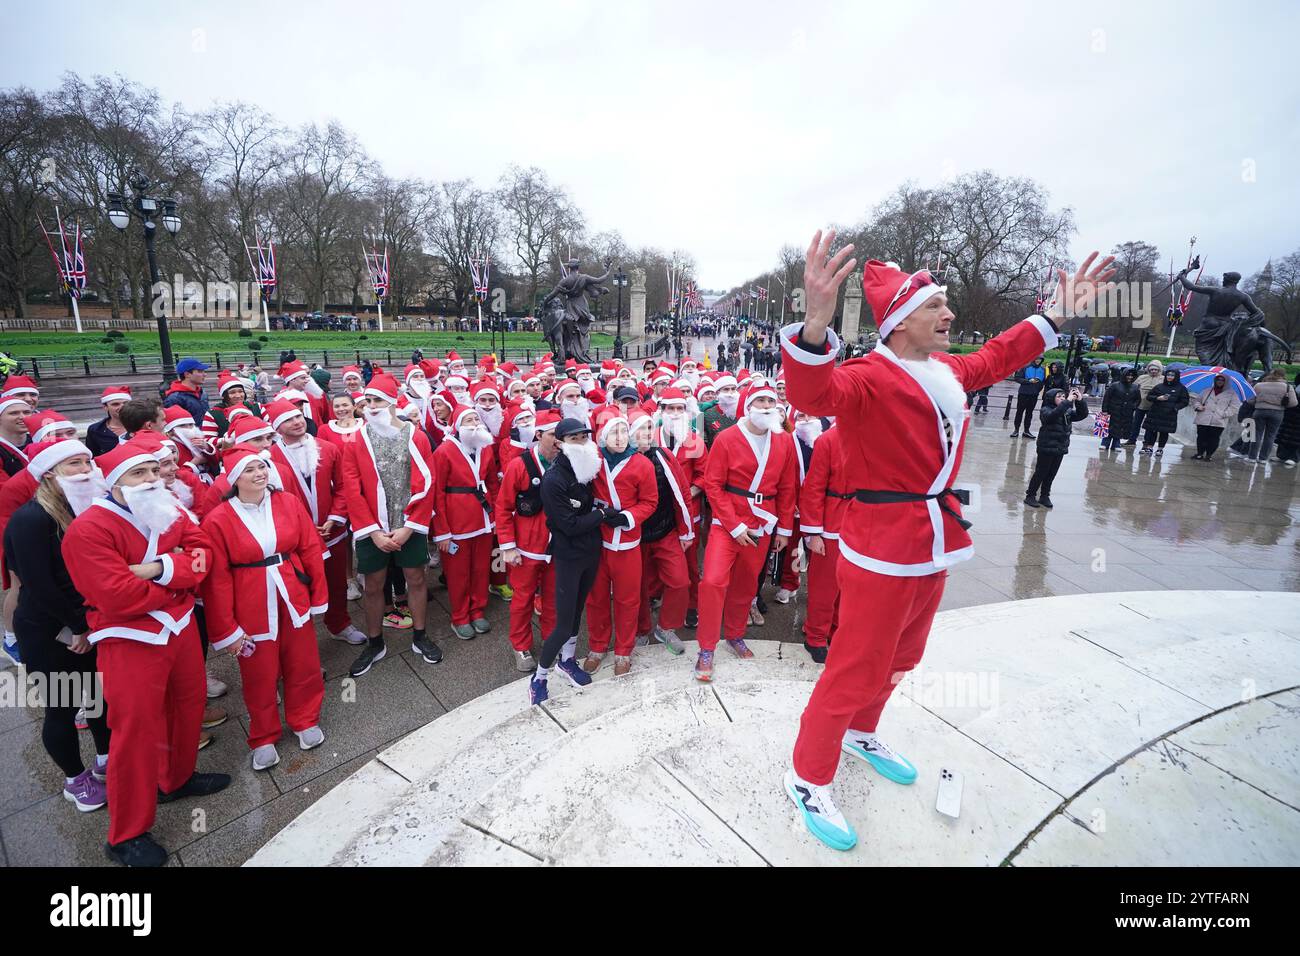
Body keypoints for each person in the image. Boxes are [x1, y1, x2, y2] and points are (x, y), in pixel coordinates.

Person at [779, 230, 1114, 851]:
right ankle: (807, 776)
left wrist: (1056, 315)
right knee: (854, 667)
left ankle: (861, 732)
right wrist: (815, 327)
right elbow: (811, 394)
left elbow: (1000, 354)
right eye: (936, 306)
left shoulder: (945, 371)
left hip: (933, 540)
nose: (950, 314)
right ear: (903, 320)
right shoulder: (866, 377)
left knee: (904, 657)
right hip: (880, 545)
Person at [61, 439, 232, 866]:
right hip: (127, 638)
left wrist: (159, 569)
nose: (153, 479)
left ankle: (174, 779)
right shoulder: (88, 529)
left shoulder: (168, 505)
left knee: (189, 705)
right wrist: (179, 576)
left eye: (154, 470)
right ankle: (125, 834)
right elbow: (117, 594)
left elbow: (204, 555)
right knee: (133, 733)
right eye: (140, 473)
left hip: (177, 626)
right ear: (116, 481)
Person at [202, 444, 328, 770]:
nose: (259, 474)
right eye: (249, 470)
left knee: (303, 662)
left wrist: (318, 595)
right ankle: (263, 735)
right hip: (251, 603)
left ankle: (304, 718)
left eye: (262, 467)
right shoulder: (218, 519)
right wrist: (227, 628)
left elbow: (310, 548)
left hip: (292, 592)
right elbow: (216, 579)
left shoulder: (288, 502)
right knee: (259, 673)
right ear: (234, 478)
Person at [2, 439, 111, 812]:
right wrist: (79, 626)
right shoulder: (32, 518)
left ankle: (105, 759)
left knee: (97, 698)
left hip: (85, 621)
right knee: (62, 706)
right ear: (49, 473)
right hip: (48, 629)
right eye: (73, 465)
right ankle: (74, 779)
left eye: (87, 462)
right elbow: (40, 584)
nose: (85, 470)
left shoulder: (86, 506)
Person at [695, 382, 797, 682]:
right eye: (760, 400)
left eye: (771, 400)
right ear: (749, 405)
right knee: (713, 582)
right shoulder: (727, 438)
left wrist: (784, 529)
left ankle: (735, 635)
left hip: (763, 523)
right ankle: (706, 647)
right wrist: (734, 525)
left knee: (746, 585)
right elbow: (713, 485)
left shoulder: (785, 441)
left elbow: (789, 487)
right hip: (729, 523)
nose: (767, 405)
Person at [341, 373, 439, 676]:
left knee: (417, 578)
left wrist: (410, 526)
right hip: (373, 526)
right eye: (367, 401)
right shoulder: (357, 439)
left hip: (408, 522)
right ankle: (375, 642)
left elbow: (427, 482)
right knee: (373, 584)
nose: (370, 406)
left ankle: (420, 636)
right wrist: (372, 531)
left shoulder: (416, 436)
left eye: (377, 400)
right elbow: (351, 487)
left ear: (392, 403)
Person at [265, 399, 363, 645]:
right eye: (288, 419)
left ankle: (339, 623)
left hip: (332, 530)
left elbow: (343, 487)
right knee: (299, 587)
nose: (297, 422)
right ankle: (301, 637)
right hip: (296, 538)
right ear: (277, 427)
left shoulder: (327, 448)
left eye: (298, 416)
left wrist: (334, 518)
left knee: (336, 581)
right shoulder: (270, 458)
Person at [528, 418, 606, 704]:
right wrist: (601, 515)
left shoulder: (585, 467)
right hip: (569, 554)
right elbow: (569, 524)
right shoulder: (553, 479)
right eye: (575, 438)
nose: (582, 442)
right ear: (560, 443)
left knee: (577, 613)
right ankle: (539, 677)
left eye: (585, 436)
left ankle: (567, 660)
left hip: (590, 550)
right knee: (562, 623)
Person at [581, 412, 657, 677]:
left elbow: (650, 502)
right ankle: (598, 646)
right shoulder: (593, 462)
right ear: (603, 436)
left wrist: (626, 517)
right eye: (614, 432)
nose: (621, 438)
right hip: (597, 542)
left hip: (627, 543)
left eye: (624, 432)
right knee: (596, 598)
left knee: (628, 599)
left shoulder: (642, 464)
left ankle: (624, 649)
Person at [495, 410, 561, 671]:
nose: (558, 441)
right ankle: (520, 645)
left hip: (556, 547)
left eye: (561, 435)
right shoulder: (519, 465)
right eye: (553, 435)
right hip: (526, 547)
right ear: (538, 435)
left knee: (554, 597)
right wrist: (508, 547)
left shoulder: (567, 463)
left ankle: (551, 640)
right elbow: (503, 507)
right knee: (522, 599)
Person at [431, 405, 499, 640]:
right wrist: (441, 531)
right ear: (458, 425)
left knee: (481, 569)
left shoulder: (486, 447)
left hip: (483, 519)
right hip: (456, 521)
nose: (474, 424)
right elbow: (436, 493)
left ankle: (478, 609)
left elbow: (492, 484)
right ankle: (460, 616)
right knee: (458, 572)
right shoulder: (444, 451)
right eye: (468, 420)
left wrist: (496, 516)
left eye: (476, 419)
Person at [631, 411, 694, 655]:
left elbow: (682, 493)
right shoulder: (618, 459)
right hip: (634, 537)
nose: (647, 433)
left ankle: (666, 627)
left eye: (649, 428)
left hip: (665, 530)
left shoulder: (664, 455)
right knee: (637, 587)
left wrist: (686, 531)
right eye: (640, 429)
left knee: (680, 581)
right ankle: (640, 629)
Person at [797, 421, 848, 663]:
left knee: (850, 587)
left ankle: (837, 631)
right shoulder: (828, 439)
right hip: (831, 523)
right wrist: (814, 532)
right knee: (824, 586)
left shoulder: (876, 437)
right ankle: (816, 635)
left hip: (861, 522)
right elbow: (813, 487)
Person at [1024, 388, 1090, 508]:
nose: (1062, 399)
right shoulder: (1046, 410)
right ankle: (1030, 495)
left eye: (1063, 397)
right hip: (1046, 446)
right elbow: (1052, 416)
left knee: (1051, 473)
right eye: (1059, 397)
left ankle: (1044, 496)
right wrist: (1068, 402)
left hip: (1060, 447)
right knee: (1041, 472)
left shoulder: (1067, 411)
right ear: (1051, 398)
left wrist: (1080, 401)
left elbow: (1082, 414)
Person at [1245, 370, 1298, 462]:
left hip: (1260, 411)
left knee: (1256, 434)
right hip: (1277, 413)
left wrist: (1259, 403)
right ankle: (1263, 458)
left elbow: (1249, 400)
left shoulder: (1259, 385)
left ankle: (1252, 457)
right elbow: (1294, 403)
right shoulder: (1288, 387)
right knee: (1270, 436)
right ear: (1283, 376)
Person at [201, 372, 262, 444]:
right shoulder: (213, 414)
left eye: (241, 391)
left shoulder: (257, 407)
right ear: (224, 395)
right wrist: (228, 440)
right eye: (232, 393)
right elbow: (207, 440)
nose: (238, 395)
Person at [1141, 368, 1189, 457]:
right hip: (1156, 412)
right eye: (1168, 375)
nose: (1170, 377)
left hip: (1169, 414)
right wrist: (1157, 398)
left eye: (1172, 375)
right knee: (1152, 430)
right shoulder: (1159, 386)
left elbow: (1185, 401)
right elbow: (1149, 396)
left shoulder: (1181, 388)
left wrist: (1175, 407)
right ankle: (1150, 447)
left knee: (1164, 432)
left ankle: (1160, 449)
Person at [1191, 375, 1240, 461]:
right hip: (1203, 417)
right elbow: (1197, 401)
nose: (1219, 381)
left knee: (1214, 438)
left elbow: (1234, 407)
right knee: (1201, 437)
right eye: (1218, 379)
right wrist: (1198, 407)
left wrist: (1224, 414)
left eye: (1222, 380)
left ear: (1226, 382)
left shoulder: (1232, 394)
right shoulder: (1207, 391)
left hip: (1218, 420)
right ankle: (1199, 453)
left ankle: (1209, 455)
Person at [1100, 368, 1140, 451]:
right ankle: (1105, 442)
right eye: (1128, 375)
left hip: (1126, 411)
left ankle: (1116, 442)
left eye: (1132, 376)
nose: (1130, 377)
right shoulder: (1115, 385)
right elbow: (1107, 397)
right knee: (1109, 426)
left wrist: (1133, 406)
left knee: (1121, 427)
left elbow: (1138, 399)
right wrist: (1104, 410)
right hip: (1113, 409)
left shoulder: (1135, 387)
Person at [162, 357, 211, 426]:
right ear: (187, 374)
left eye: (204, 371)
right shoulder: (175, 398)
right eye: (200, 371)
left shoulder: (202, 393)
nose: (204, 374)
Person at [85, 386, 132, 456]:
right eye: (115, 404)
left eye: (125, 403)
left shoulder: (142, 425)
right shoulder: (95, 430)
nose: (122, 407)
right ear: (105, 407)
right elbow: (92, 457)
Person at [1127, 360, 1164, 445]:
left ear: (1159, 370)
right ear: (1148, 370)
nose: (1153, 371)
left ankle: (1147, 442)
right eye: (1152, 369)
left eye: (1156, 369)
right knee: (1135, 423)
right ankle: (1132, 440)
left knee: (1149, 426)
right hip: (1140, 405)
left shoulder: (1163, 379)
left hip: (1154, 406)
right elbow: (1134, 388)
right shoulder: (1142, 377)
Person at [1010, 358, 1045, 438]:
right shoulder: (1025, 367)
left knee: (1029, 413)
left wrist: (1038, 389)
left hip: (1034, 395)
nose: (1038, 361)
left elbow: (1044, 381)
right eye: (1036, 359)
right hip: (1023, 393)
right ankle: (1016, 430)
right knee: (1019, 412)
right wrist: (1028, 381)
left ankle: (1026, 431)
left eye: (1040, 359)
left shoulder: (1043, 370)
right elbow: (1017, 378)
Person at [1274, 373, 1300, 466]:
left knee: (1297, 438)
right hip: (1291, 413)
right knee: (1285, 435)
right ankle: (1281, 455)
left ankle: (1294, 457)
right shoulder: (1295, 387)